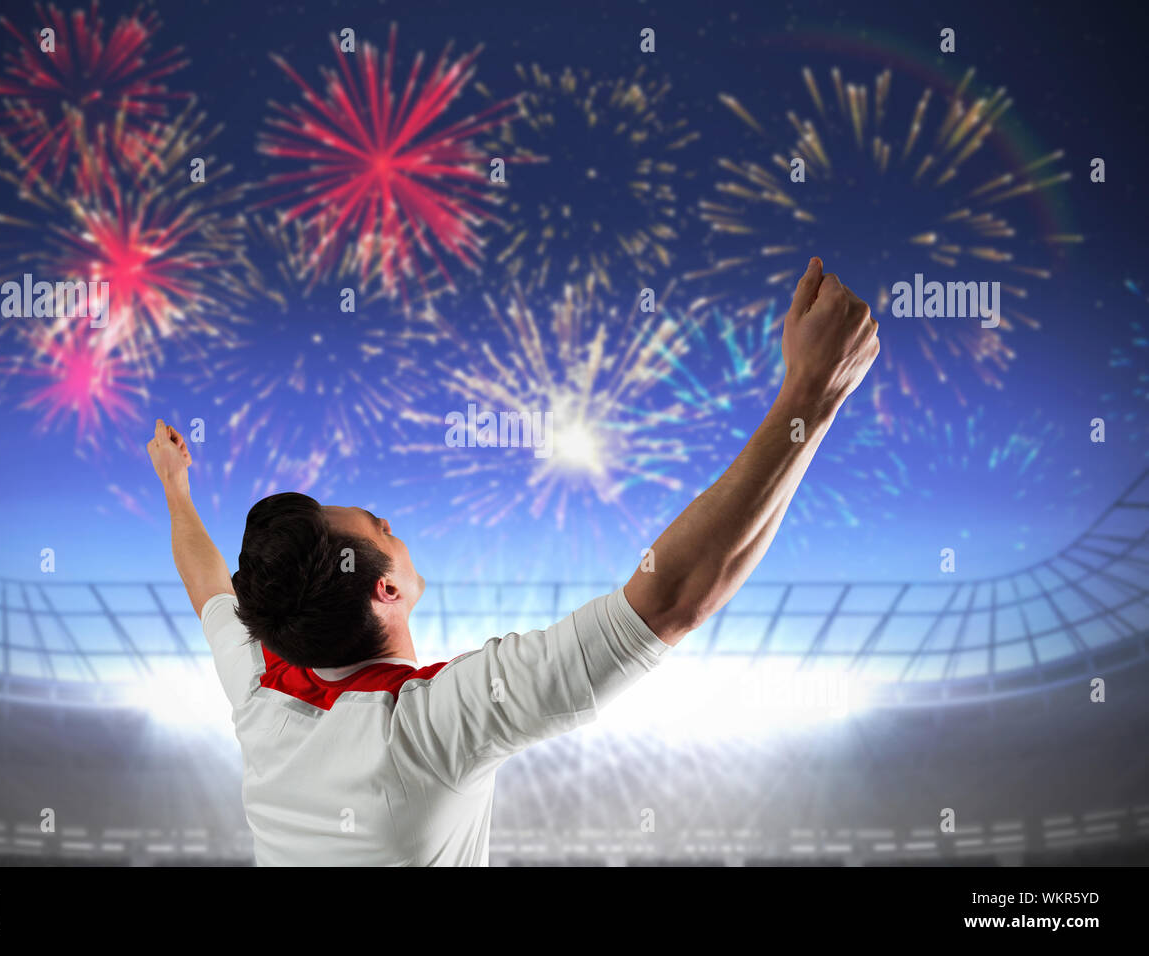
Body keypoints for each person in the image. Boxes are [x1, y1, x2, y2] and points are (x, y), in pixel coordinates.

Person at [145, 257, 878, 865]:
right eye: (377, 525)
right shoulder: (427, 729)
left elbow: (205, 580)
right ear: (387, 588)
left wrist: (176, 487)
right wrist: (813, 389)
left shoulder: (264, 691)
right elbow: (670, 599)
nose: (391, 520)